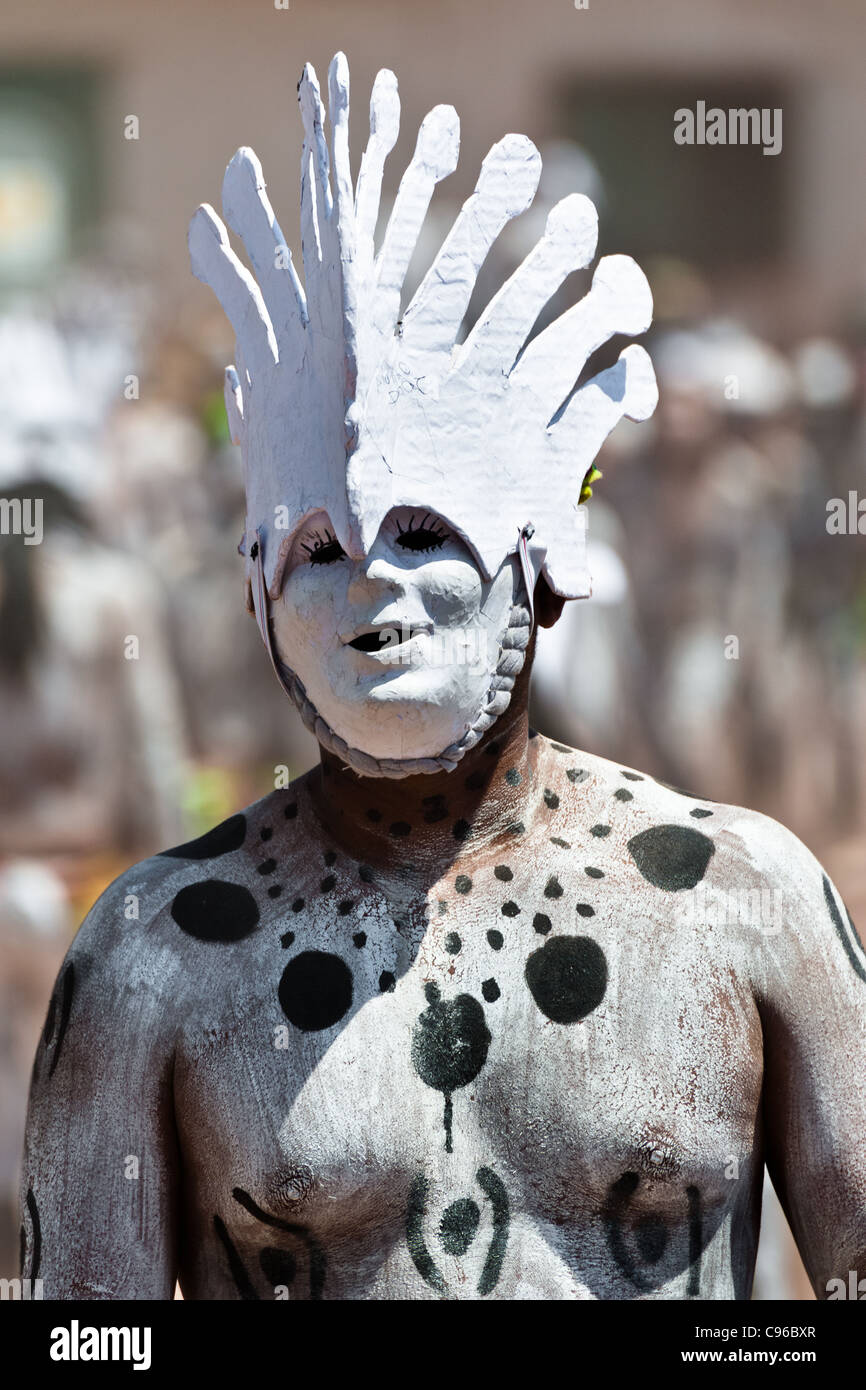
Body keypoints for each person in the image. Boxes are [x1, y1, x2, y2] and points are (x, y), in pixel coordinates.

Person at [20, 54, 865, 1301]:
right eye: (321, 553)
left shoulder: (744, 899)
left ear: (541, 569)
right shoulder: (156, 956)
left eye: (424, 535)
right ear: (256, 588)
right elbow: (88, 1339)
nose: (376, 591)